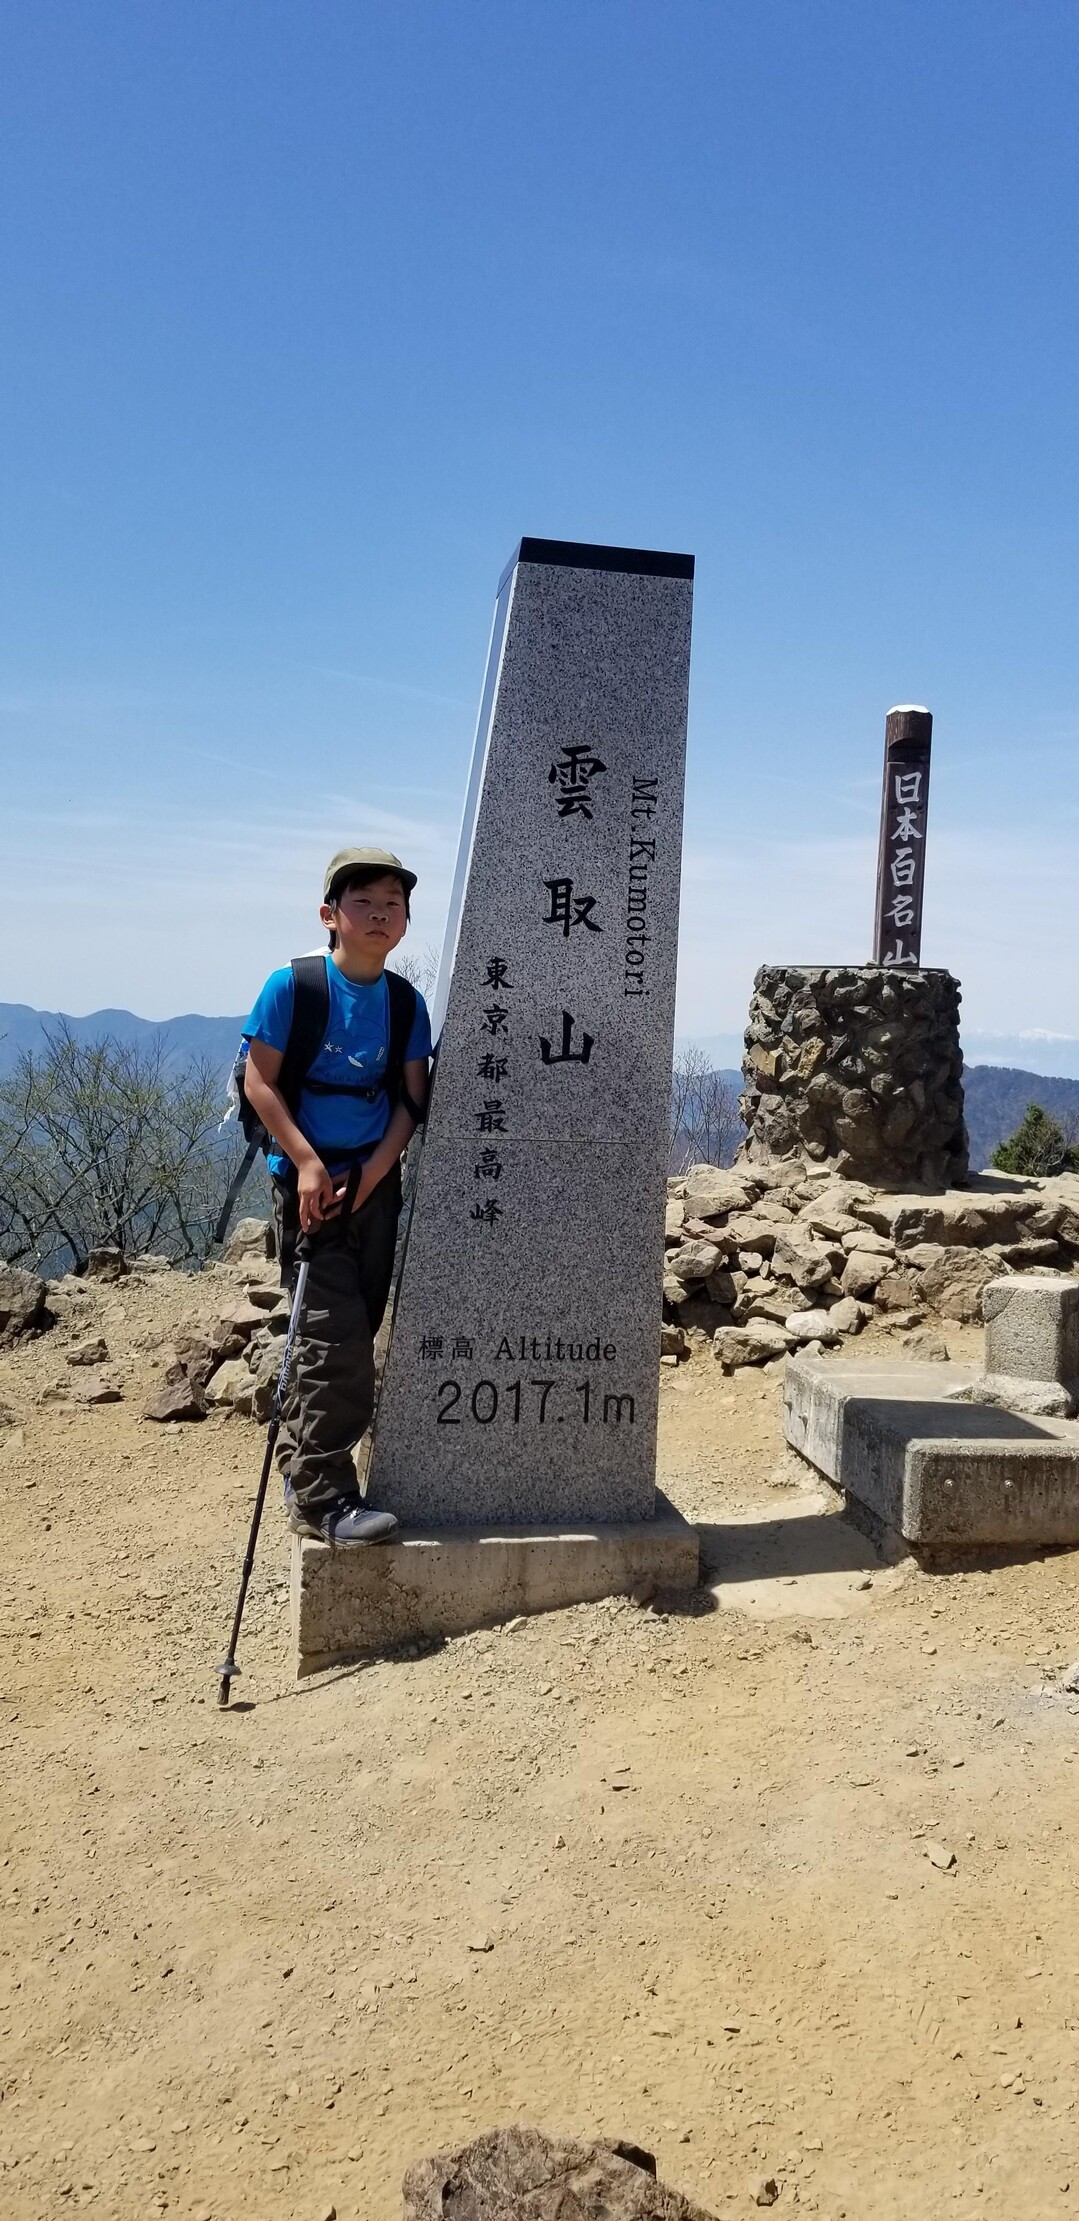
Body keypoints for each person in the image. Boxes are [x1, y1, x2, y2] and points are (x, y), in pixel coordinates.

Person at [242, 847, 432, 1544]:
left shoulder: (406, 1003)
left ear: (406, 922)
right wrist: (307, 1168)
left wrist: (374, 1175)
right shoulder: (293, 987)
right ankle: (324, 1499)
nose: (381, 914)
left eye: (394, 904)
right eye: (365, 902)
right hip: (309, 1186)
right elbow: (259, 1083)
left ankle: (301, 1462)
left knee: (360, 1320)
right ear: (330, 915)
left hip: (373, 1185)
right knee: (333, 1336)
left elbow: (412, 1102)